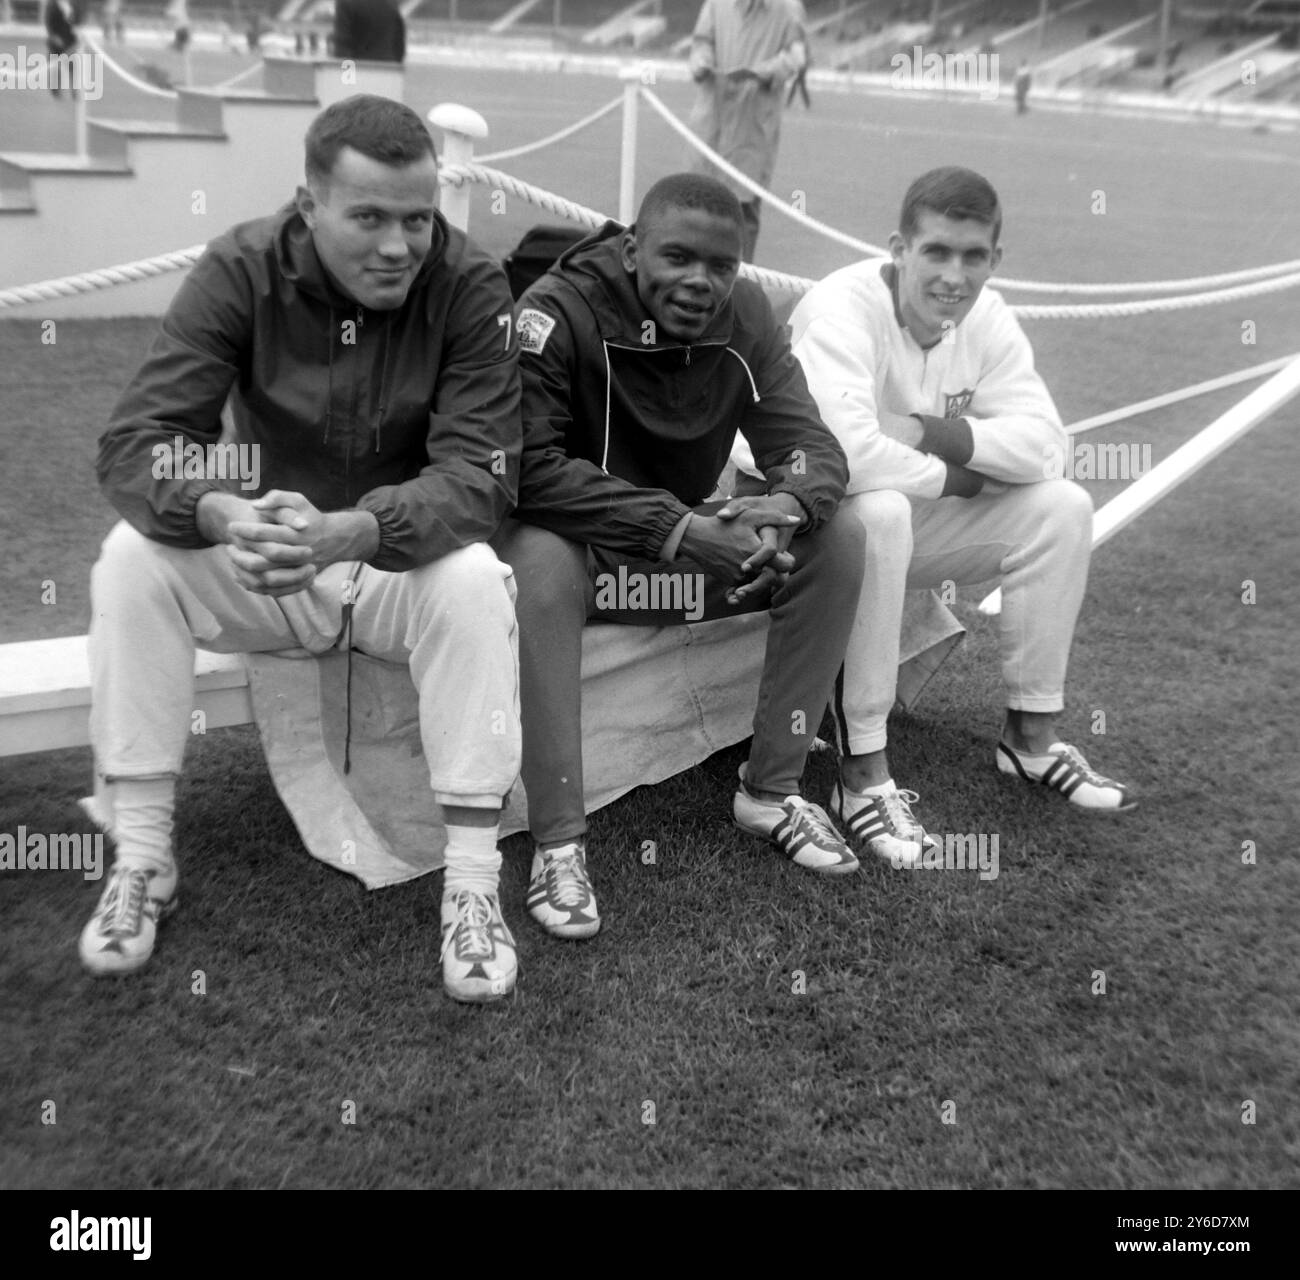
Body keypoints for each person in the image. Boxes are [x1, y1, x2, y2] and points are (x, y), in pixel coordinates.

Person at [80, 96, 524, 1005]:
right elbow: (139, 442)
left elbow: (481, 478)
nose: (400, 246)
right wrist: (218, 514)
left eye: (417, 219)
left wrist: (355, 528)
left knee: (477, 576)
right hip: (267, 556)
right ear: (307, 204)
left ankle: (473, 885)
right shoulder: (242, 264)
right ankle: (142, 855)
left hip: (389, 562)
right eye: (368, 217)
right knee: (133, 555)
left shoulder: (471, 283)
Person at [495, 172, 866, 943]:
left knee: (839, 536)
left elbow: (807, 445)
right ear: (632, 251)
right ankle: (558, 842)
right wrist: (682, 529)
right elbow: (523, 472)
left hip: (674, 567)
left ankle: (771, 791)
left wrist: (786, 508)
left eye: (722, 266)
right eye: (677, 258)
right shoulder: (554, 312)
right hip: (589, 557)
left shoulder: (749, 318)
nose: (701, 283)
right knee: (538, 556)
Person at [777, 166, 1134, 866]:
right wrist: (958, 478)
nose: (954, 275)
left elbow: (1047, 448)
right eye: (936, 251)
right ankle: (863, 778)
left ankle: (1029, 743)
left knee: (1062, 507)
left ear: (994, 261)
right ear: (898, 248)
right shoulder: (840, 307)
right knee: (878, 509)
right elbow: (842, 455)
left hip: (915, 508)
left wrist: (923, 431)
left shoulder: (987, 316)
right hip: (799, 525)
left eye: (974, 257)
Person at [688, 0, 808, 262]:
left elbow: (796, 58)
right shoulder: (716, 4)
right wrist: (701, 61)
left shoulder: (787, 8)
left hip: (752, 125)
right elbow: (701, 42)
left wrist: (762, 72)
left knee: (741, 213)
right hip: (712, 122)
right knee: (700, 209)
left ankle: (738, 292)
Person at [333, 0, 406, 64]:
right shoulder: (391, 3)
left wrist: (347, 77)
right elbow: (399, 42)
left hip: (360, 69)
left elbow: (342, 46)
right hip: (388, 68)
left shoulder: (345, 3)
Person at [43, 0, 79, 98]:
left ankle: (75, 91)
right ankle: (55, 91)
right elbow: (48, 23)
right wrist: (54, 37)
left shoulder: (71, 4)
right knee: (55, 67)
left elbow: (74, 22)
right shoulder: (51, 4)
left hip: (69, 41)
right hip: (55, 41)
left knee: (72, 66)